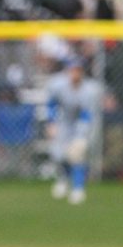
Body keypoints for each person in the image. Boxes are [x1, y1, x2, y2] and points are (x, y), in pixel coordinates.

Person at [46, 57, 99, 204]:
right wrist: (51, 123)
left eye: (78, 70)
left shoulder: (89, 90)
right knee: (59, 153)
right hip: (65, 120)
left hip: (82, 122)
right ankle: (63, 180)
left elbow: (87, 114)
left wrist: (81, 135)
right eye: (72, 70)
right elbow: (51, 104)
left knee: (77, 153)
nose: (75, 74)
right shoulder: (58, 85)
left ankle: (78, 188)